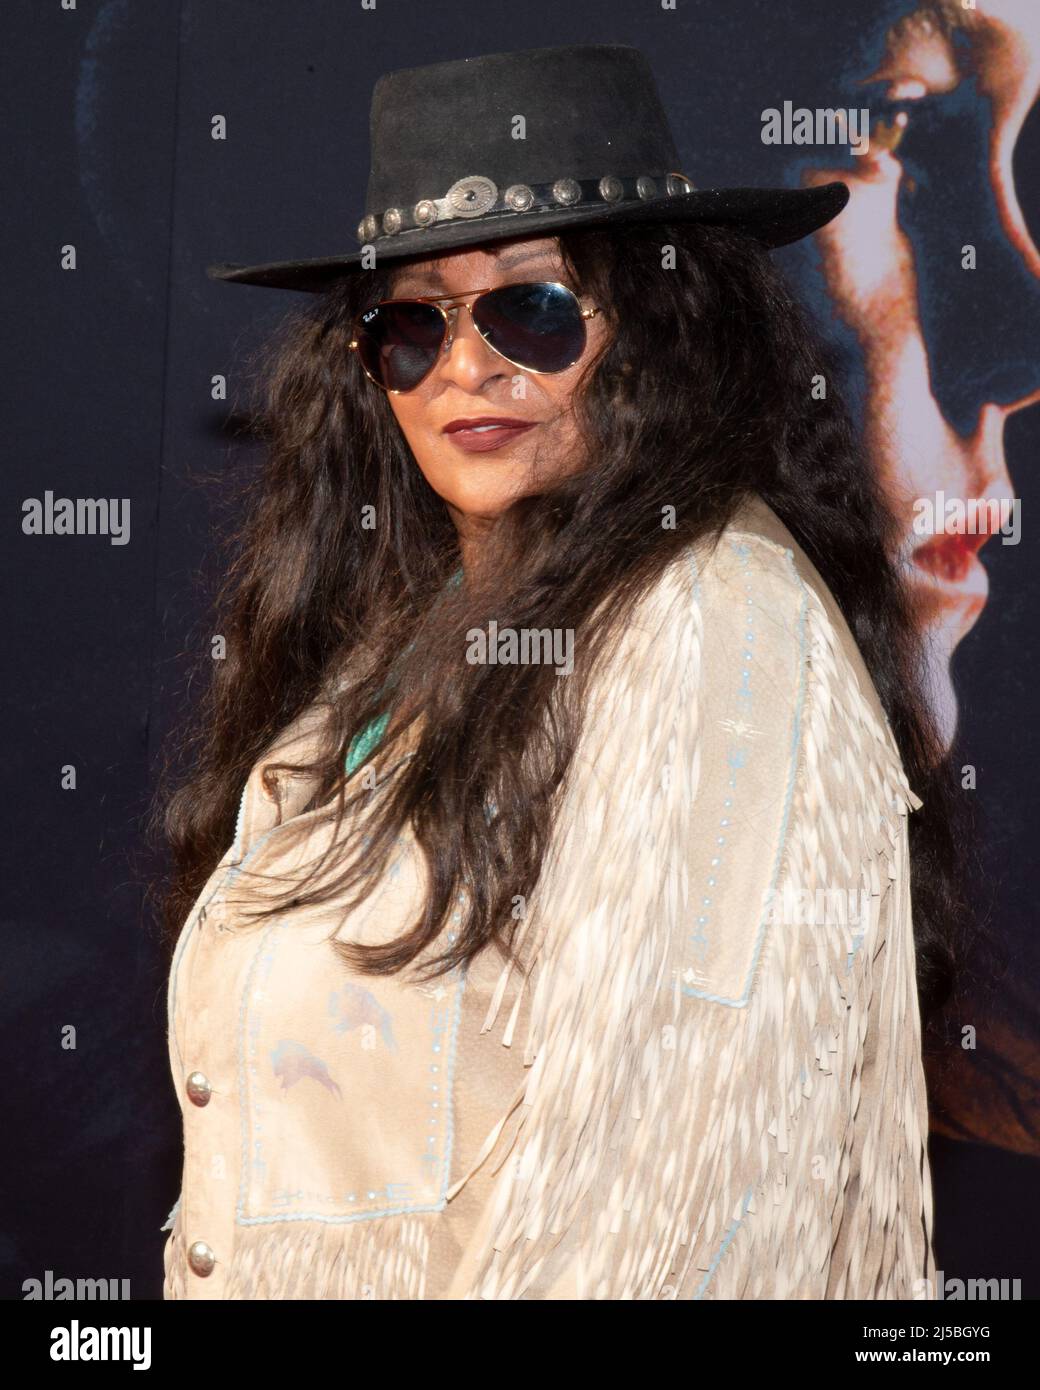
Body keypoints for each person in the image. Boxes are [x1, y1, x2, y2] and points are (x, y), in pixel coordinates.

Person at [159, 44, 968, 1299]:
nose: (467, 367)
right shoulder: (419, 629)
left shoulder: (718, 633)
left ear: (654, 330)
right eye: (410, 324)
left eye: (530, 309)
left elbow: (682, 1218)